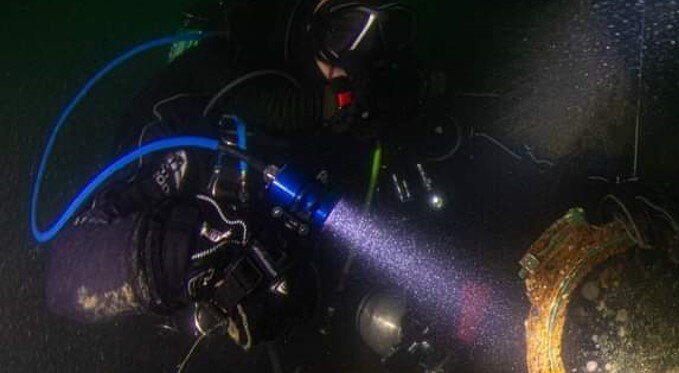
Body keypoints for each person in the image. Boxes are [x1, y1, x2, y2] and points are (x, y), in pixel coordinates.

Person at [44, 0, 428, 350]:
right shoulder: (198, 111)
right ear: (305, 22)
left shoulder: (358, 136)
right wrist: (184, 251)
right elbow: (65, 279)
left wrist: (302, 292)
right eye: (346, 31)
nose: (355, 62)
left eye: (379, 40)